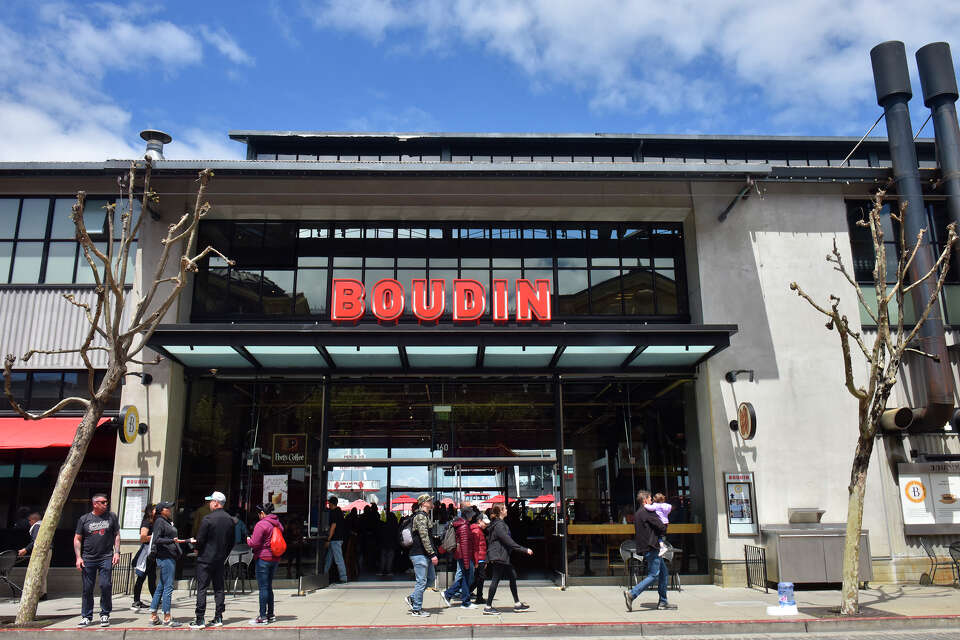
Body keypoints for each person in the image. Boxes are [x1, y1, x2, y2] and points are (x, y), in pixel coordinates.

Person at [624, 490, 676, 612]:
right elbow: (661, 527)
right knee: (654, 574)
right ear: (645, 500)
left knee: (663, 573)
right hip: (651, 547)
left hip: (646, 547)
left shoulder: (638, 514)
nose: (652, 501)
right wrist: (665, 522)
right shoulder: (647, 512)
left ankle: (663, 602)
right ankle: (632, 594)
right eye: (650, 499)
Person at [189, 491, 236, 629]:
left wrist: (196, 547)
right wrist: (224, 554)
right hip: (220, 558)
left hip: (205, 558)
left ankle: (200, 618)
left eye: (211, 501)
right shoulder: (230, 520)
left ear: (216, 503)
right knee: (219, 588)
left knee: (202, 588)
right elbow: (231, 541)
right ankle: (218, 616)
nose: (209, 504)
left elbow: (201, 539)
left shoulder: (208, 519)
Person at [74, 493, 120, 627]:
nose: (106, 504)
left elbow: (116, 535)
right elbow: (77, 538)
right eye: (103, 502)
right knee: (87, 588)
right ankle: (86, 616)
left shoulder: (112, 517)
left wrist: (116, 552)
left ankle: (105, 614)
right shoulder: (84, 519)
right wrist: (78, 557)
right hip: (88, 558)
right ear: (95, 504)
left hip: (106, 556)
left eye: (106, 502)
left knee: (105, 585)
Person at [483, 503, 532, 615]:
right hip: (499, 555)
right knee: (496, 579)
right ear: (500, 512)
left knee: (512, 576)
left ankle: (517, 604)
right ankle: (488, 607)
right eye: (505, 508)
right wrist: (524, 549)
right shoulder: (499, 525)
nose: (507, 509)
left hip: (501, 555)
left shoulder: (499, 523)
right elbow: (507, 541)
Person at [247, 503, 283, 626]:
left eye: (259, 514)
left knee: (263, 587)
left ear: (262, 513)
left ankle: (262, 616)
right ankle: (270, 614)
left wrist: (248, 539)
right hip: (275, 558)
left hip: (263, 558)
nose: (258, 516)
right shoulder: (277, 523)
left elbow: (254, 543)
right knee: (268, 586)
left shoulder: (261, 524)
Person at [150, 501, 185, 626]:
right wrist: (172, 540)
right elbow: (156, 539)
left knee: (161, 586)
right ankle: (167, 617)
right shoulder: (160, 521)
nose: (170, 509)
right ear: (161, 510)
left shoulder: (165, 521)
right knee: (168, 587)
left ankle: (153, 615)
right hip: (165, 557)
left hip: (167, 556)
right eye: (167, 508)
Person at [404, 494, 437, 617]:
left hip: (423, 554)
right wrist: (432, 554)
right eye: (429, 500)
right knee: (421, 581)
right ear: (423, 503)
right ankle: (416, 609)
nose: (431, 501)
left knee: (430, 579)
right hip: (419, 554)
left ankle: (413, 598)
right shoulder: (421, 517)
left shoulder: (425, 516)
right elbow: (424, 537)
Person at [440, 503, 477, 610]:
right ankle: (463, 601)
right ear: (467, 515)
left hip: (461, 555)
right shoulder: (464, 526)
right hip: (464, 555)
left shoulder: (461, 524)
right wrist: (466, 562)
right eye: (471, 514)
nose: (473, 516)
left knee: (466, 577)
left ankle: (454, 596)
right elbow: (464, 545)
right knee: (467, 577)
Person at [17, 512, 48, 601]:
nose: (29, 522)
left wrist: (25, 549)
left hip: (42, 551)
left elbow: (36, 541)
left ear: (34, 520)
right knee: (43, 571)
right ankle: (42, 592)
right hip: (48, 550)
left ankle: (40, 593)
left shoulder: (37, 526)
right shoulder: (43, 524)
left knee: (38, 571)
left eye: (29, 520)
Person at [131, 504, 156, 611]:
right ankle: (136, 600)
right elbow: (143, 537)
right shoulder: (147, 522)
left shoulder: (154, 521)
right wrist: (156, 536)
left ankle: (155, 599)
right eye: (155, 509)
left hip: (151, 553)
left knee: (152, 576)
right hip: (146, 553)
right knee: (142, 577)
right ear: (151, 511)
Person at [323, 496, 348, 583]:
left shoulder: (334, 512)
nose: (328, 504)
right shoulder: (339, 512)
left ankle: (343, 577)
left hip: (335, 539)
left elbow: (333, 526)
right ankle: (324, 574)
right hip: (338, 538)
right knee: (329, 558)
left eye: (329, 503)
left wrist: (328, 539)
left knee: (338, 558)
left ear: (331, 503)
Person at [646, 492, 673, 557]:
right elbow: (669, 510)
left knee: (657, 535)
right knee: (660, 536)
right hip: (665, 523)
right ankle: (662, 546)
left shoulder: (655, 505)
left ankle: (662, 547)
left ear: (655, 499)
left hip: (659, 523)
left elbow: (650, 508)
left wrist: (645, 505)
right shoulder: (666, 506)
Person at [470, 512, 488, 604]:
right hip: (479, 558)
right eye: (485, 523)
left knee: (478, 578)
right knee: (480, 578)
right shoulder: (477, 531)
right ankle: (478, 596)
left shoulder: (478, 530)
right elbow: (475, 548)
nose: (486, 525)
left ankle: (475, 595)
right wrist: (477, 561)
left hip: (480, 558)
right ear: (479, 521)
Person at [378, 511, 400, 576]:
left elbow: (381, 534)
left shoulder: (384, 525)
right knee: (390, 557)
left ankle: (382, 570)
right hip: (392, 543)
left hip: (384, 543)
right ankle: (389, 570)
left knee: (383, 557)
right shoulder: (395, 526)